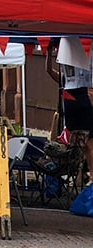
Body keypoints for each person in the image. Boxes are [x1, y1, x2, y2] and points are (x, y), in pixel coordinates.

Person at [46, 40, 93, 177]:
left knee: (87, 147)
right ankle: (86, 176)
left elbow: (48, 70)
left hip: (77, 112)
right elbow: (49, 70)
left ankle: (85, 177)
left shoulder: (68, 81)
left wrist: (49, 52)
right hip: (78, 112)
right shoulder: (67, 80)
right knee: (87, 147)